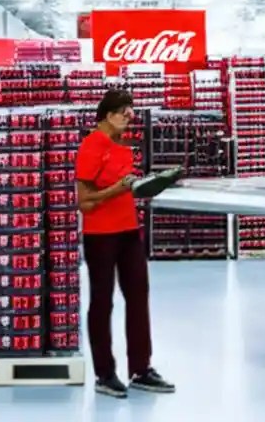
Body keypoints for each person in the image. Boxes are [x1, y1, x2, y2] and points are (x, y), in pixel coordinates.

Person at [75, 88, 175, 398]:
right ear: (108, 114)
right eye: (124, 113)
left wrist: (147, 186)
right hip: (100, 235)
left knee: (138, 296)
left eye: (131, 114)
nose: (128, 119)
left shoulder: (123, 149)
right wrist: (116, 190)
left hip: (129, 231)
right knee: (102, 303)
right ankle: (105, 374)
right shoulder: (91, 146)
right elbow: (84, 202)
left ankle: (140, 368)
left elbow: (126, 189)